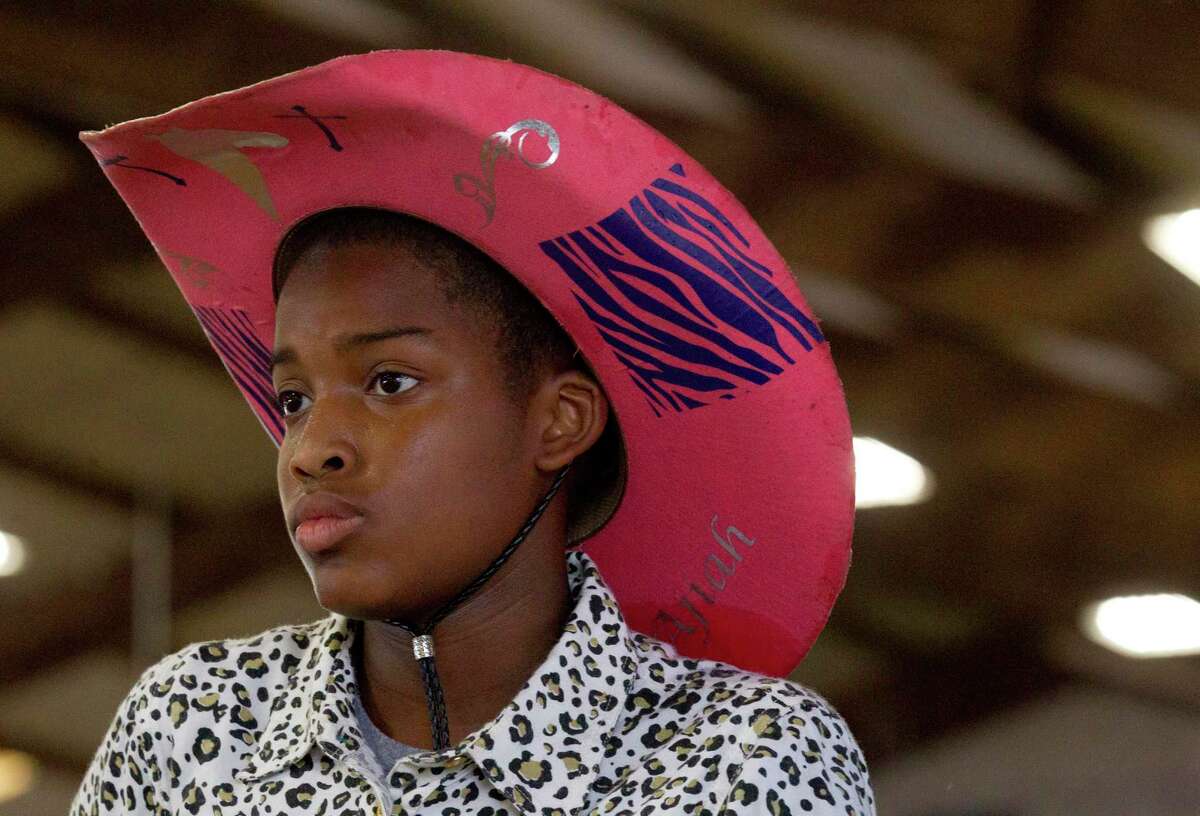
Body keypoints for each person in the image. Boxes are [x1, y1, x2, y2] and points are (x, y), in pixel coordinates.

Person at [72, 51, 873, 815]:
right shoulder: (191, 729)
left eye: (390, 382)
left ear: (559, 421)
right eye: (293, 399)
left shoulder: (741, 754)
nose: (312, 451)